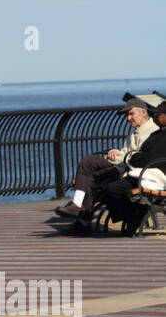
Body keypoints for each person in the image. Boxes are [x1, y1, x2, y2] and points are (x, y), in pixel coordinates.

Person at [53, 94, 161, 234]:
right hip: (122, 166)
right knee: (90, 179)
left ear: (143, 112)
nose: (128, 119)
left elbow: (139, 157)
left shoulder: (151, 132)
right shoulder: (135, 132)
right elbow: (127, 152)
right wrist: (115, 152)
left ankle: (77, 206)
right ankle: (82, 222)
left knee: (89, 161)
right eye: (127, 115)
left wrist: (117, 156)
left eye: (131, 114)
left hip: (131, 171)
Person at [99, 97, 166, 232]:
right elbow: (144, 154)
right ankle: (133, 216)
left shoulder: (161, 136)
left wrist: (131, 157)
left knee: (111, 188)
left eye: (159, 114)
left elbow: (149, 157)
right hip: (144, 173)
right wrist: (133, 156)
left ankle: (134, 216)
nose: (156, 116)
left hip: (152, 176)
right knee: (106, 186)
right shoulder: (158, 133)